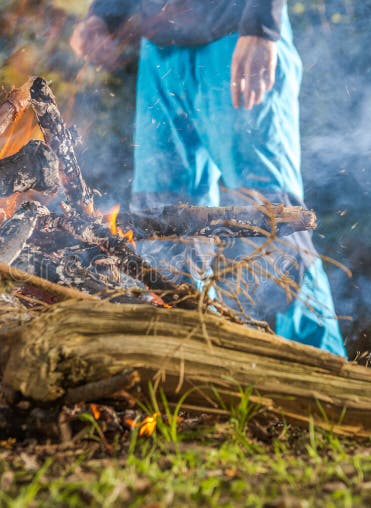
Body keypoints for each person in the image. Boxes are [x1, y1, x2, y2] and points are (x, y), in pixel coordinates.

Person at [70, 0, 346, 358]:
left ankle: (323, 372)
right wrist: (102, 16)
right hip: (161, 50)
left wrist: (262, 27)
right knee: (161, 221)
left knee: (272, 219)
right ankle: (188, 365)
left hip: (237, 35)